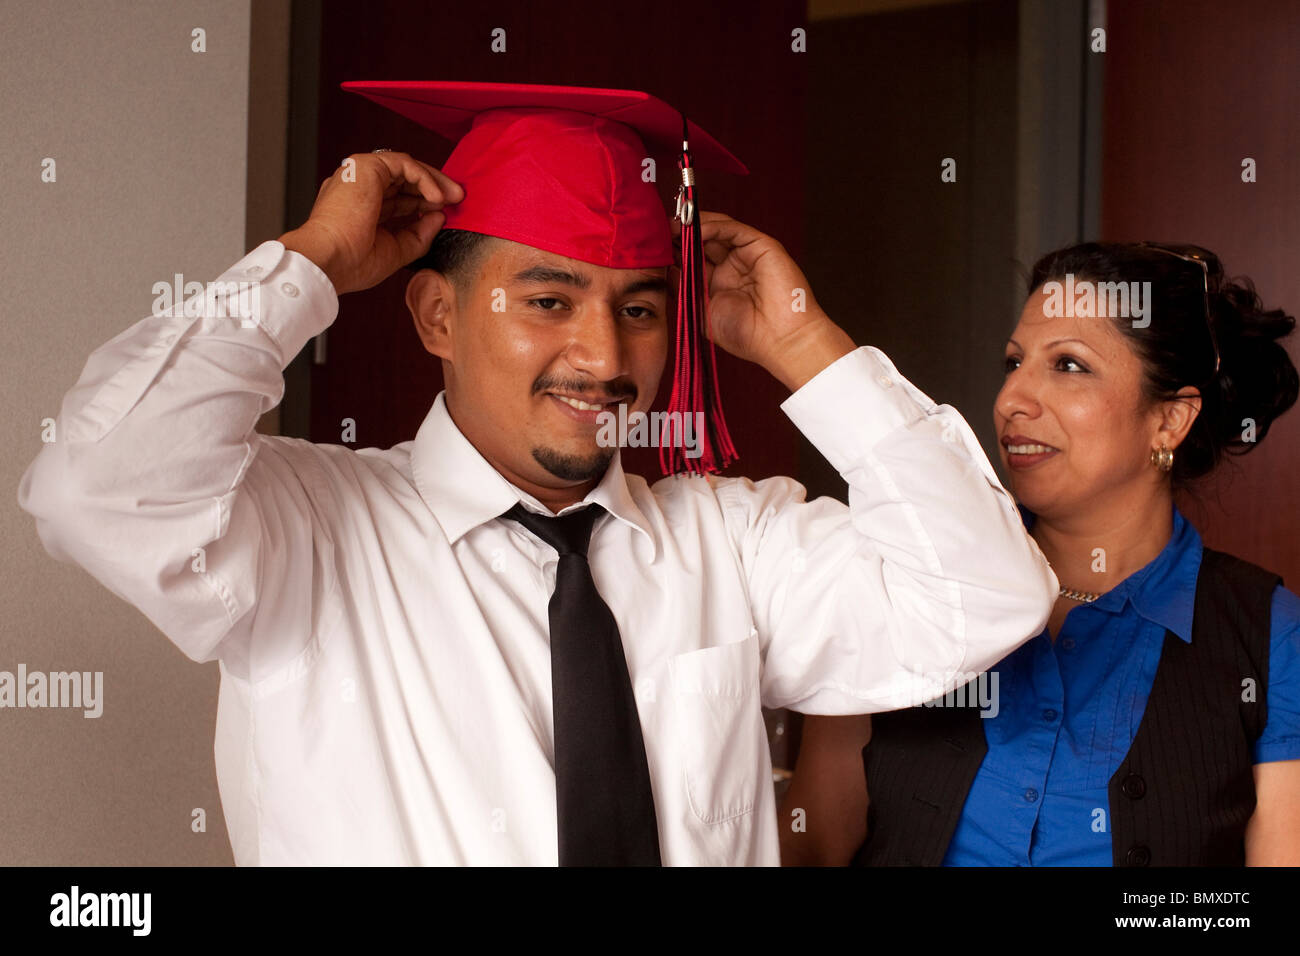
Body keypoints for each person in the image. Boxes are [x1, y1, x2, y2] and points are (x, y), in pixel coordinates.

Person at [18, 81, 1055, 866]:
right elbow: (95, 483)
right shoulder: (303, 533)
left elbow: (983, 595)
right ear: (437, 316)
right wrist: (312, 261)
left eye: (639, 308)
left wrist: (804, 342)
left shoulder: (729, 541)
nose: (604, 359)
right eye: (547, 300)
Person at [781, 241, 1300, 867]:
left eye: (1069, 366)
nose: (1011, 401)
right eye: (1013, 363)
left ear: (1169, 421)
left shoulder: (1268, 636)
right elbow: (811, 851)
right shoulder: (900, 578)